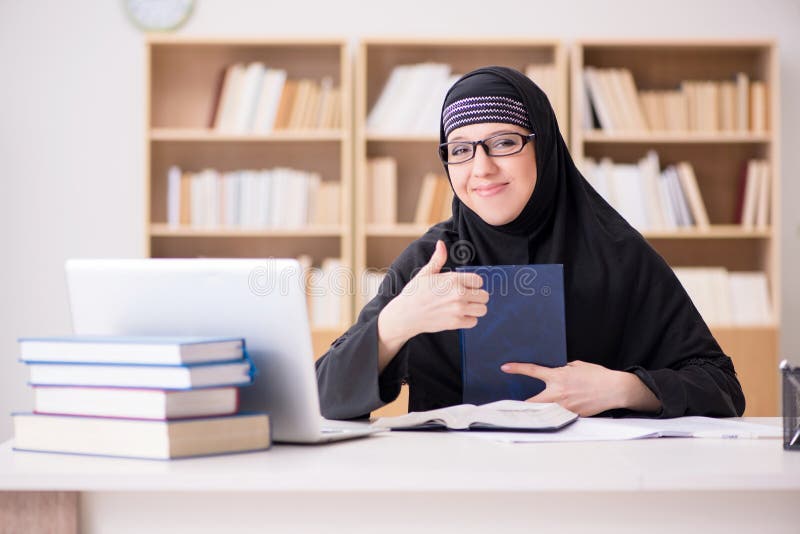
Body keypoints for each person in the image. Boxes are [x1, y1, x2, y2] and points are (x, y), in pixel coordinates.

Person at [315, 65, 745, 420]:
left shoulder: (618, 253)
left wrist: (621, 388)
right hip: (454, 488)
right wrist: (397, 322)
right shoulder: (430, 263)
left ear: (544, 148)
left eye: (504, 142)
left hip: (592, 487)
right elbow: (320, 399)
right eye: (460, 150)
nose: (480, 168)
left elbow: (722, 388)